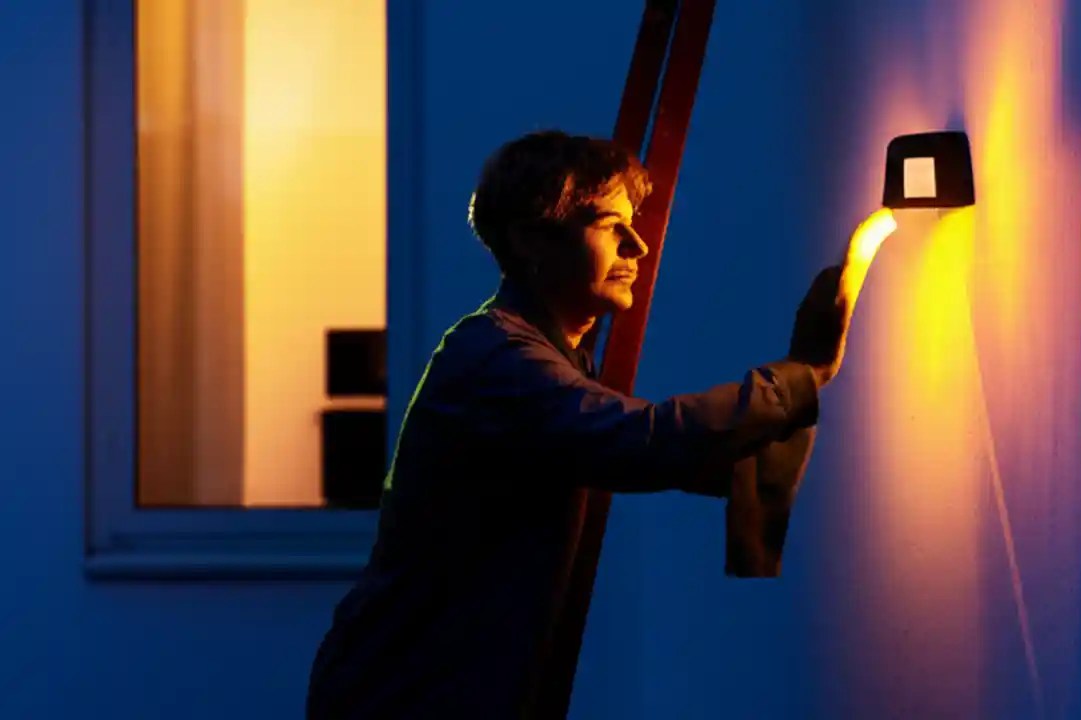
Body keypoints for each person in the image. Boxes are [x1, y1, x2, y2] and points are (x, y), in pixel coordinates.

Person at [305, 129, 893, 718]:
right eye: (611, 226)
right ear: (532, 240)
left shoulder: (546, 353)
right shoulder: (497, 359)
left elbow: (661, 450)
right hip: (406, 695)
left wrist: (791, 416)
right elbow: (644, 440)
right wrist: (800, 375)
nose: (637, 247)